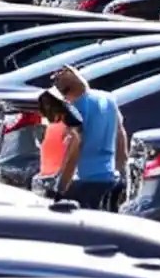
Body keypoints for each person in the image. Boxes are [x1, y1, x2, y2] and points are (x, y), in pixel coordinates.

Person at [51, 66, 127, 210]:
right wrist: (122, 172)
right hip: (110, 179)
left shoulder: (76, 110)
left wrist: (61, 187)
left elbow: (75, 147)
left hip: (85, 182)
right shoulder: (108, 98)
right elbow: (120, 135)